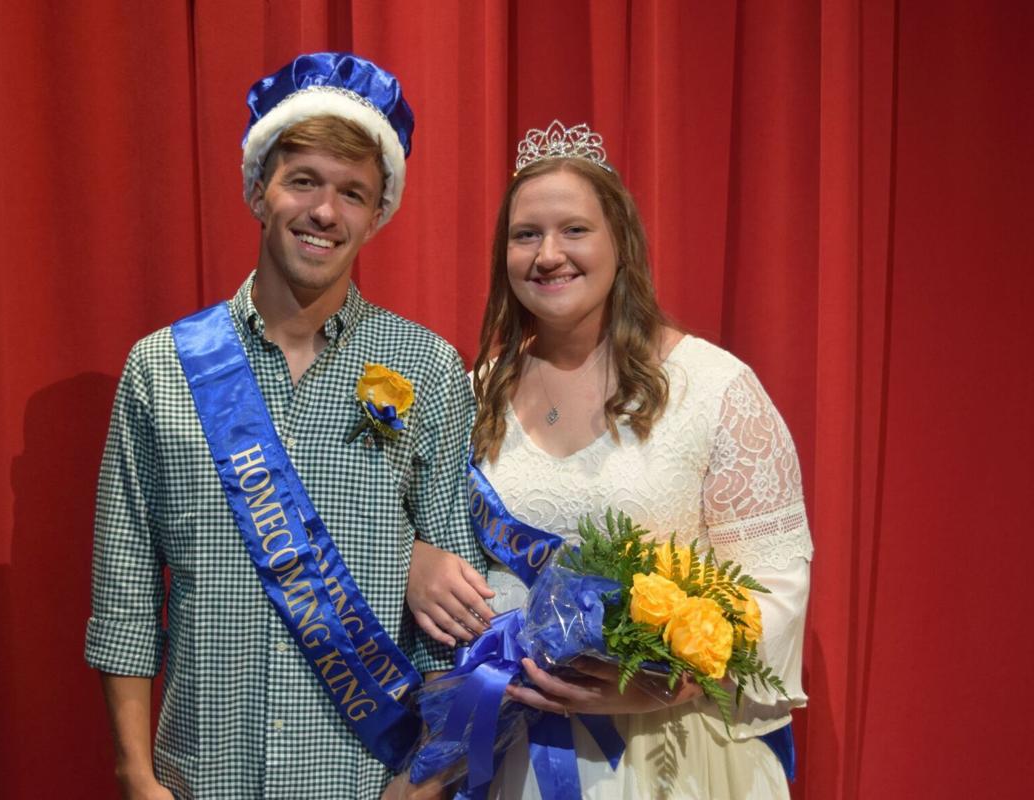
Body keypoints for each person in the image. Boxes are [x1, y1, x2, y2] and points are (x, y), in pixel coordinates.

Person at [85, 52, 489, 800]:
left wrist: (426, 780)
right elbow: (127, 591)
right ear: (259, 190)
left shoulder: (428, 368)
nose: (325, 212)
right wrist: (135, 776)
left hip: (367, 781)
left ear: (378, 214)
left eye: (353, 193)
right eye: (303, 181)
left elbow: (457, 614)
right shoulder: (162, 368)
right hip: (201, 776)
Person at [407, 121, 813, 798]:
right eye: (525, 235)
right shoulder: (475, 391)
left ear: (621, 242)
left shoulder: (714, 388)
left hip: (672, 757)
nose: (548, 254)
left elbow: (775, 587)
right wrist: (414, 559)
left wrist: (676, 683)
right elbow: (434, 529)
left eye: (574, 230)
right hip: (516, 751)